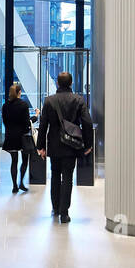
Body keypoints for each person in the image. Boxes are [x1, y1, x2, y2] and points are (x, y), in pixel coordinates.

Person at [36, 71, 93, 224]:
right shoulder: (79, 100)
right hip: (71, 146)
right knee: (67, 177)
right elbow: (87, 123)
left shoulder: (49, 101)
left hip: (54, 145)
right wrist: (88, 145)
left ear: (58, 83)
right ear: (71, 83)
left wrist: (40, 146)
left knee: (55, 175)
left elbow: (43, 125)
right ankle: (64, 213)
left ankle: (55, 207)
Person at [1, 82, 33, 194]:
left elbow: (5, 121)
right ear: (19, 92)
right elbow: (26, 124)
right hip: (22, 137)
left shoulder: (5, 106)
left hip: (10, 136)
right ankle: (21, 183)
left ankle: (14, 185)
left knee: (14, 161)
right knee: (25, 161)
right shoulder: (24, 105)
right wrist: (36, 117)